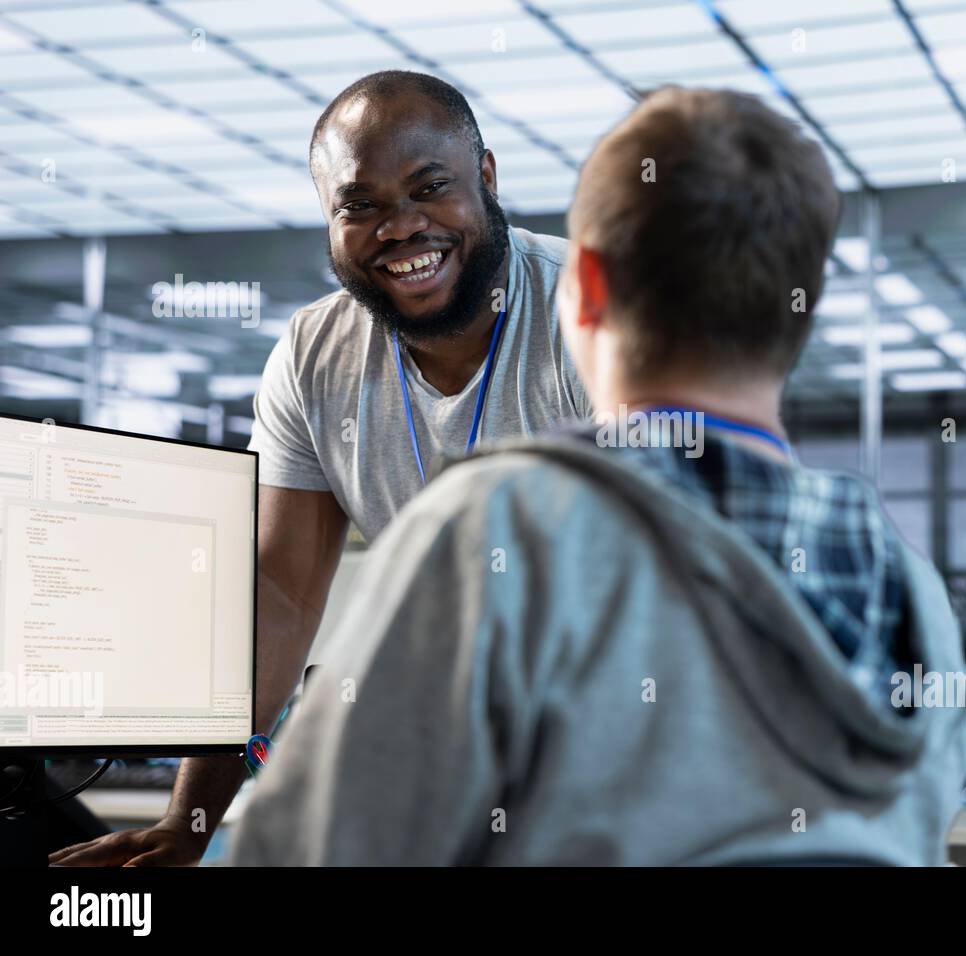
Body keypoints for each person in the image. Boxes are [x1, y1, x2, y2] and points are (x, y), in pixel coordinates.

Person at [230, 87, 966, 866]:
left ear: (579, 294)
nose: (404, 221)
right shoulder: (910, 588)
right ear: (801, 313)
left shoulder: (497, 527)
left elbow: (302, 849)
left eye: (429, 187)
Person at [49, 70, 589, 867]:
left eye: (428, 187)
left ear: (487, 177)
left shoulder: (595, 320)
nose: (399, 228)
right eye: (358, 205)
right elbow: (280, 597)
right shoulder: (313, 356)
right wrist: (189, 826)